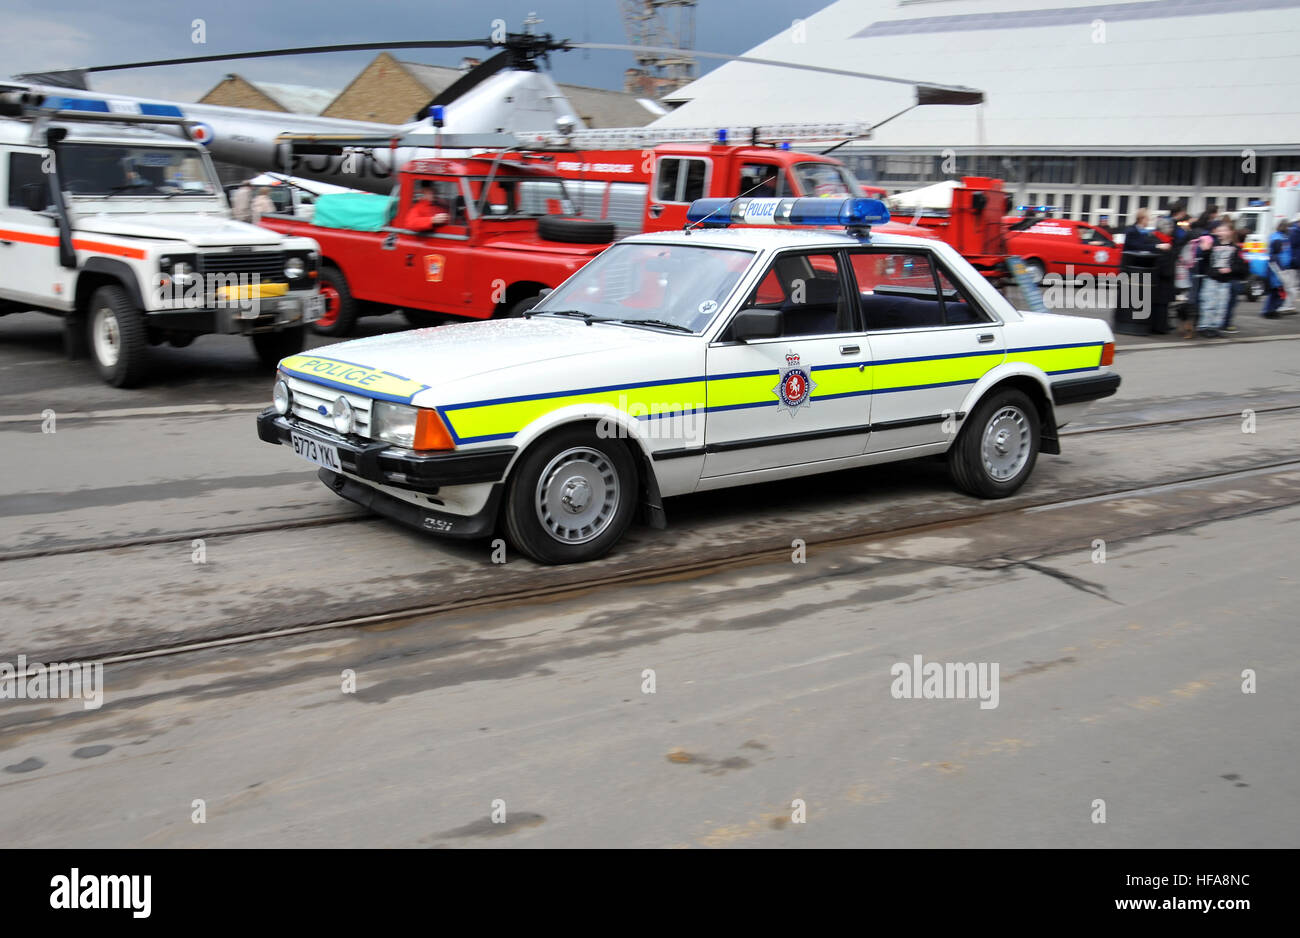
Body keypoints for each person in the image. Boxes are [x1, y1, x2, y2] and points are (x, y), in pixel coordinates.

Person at [1196, 220, 1246, 338]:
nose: (1221, 232)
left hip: (1225, 280)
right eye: (1219, 230)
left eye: (1224, 230)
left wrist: (1231, 269)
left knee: (1221, 305)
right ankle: (1204, 326)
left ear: (1230, 232)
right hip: (1211, 278)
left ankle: (1215, 327)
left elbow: (1239, 264)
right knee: (1209, 303)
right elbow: (1203, 259)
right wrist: (1204, 250)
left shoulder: (1234, 248)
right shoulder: (1212, 244)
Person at [1263, 219, 1293, 319]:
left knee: (1278, 291)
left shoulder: (1283, 237)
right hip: (1277, 268)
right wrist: (1281, 269)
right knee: (1276, 291)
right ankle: (1269, 311)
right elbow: (1275, 255)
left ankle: (1272, 310)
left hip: (1281, 267)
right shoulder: (1278, 238)